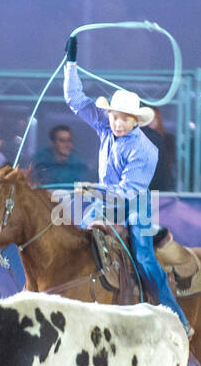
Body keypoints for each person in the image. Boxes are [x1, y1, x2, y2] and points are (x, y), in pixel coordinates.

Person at [62, 35, 190, 334]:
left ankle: (175, 317)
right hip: (104, 198)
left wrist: (93, 190)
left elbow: (127, 193)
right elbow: (75, 100)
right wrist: (71, 63)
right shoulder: (105, 126)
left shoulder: (145, 150)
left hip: (135, 203)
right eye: (115, 117)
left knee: (144, 256)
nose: (117, 123)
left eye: (124, 119)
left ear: (135, 122)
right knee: (81, 236)